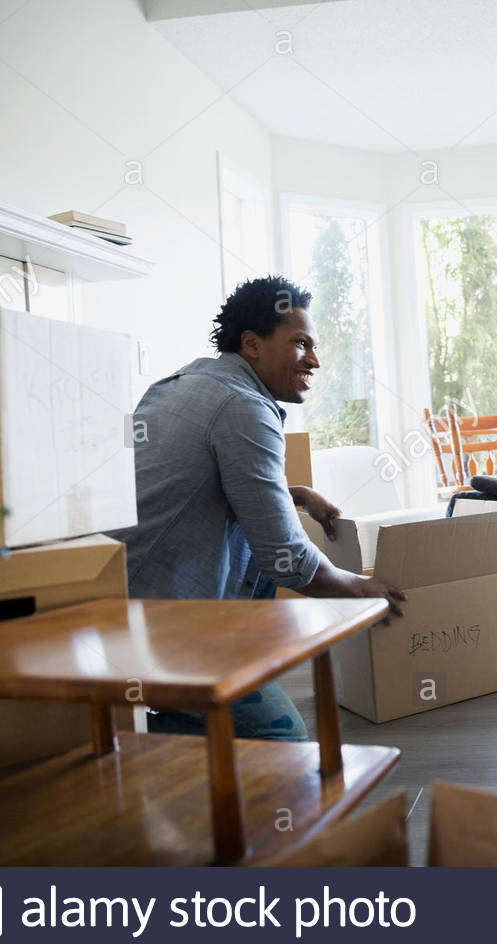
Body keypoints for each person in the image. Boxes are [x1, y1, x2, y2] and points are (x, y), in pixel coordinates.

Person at [115, 275, 405, 740]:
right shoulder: (244, 407)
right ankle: (186, 713)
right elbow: (284, 557)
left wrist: (292, 493)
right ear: (252, 344)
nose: (314, 359)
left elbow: (195, 487)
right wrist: (360, 589)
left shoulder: (177, 384)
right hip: (161, 628)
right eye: (300, 344)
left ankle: (183, 718)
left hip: (120, 599)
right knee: (286, 744)